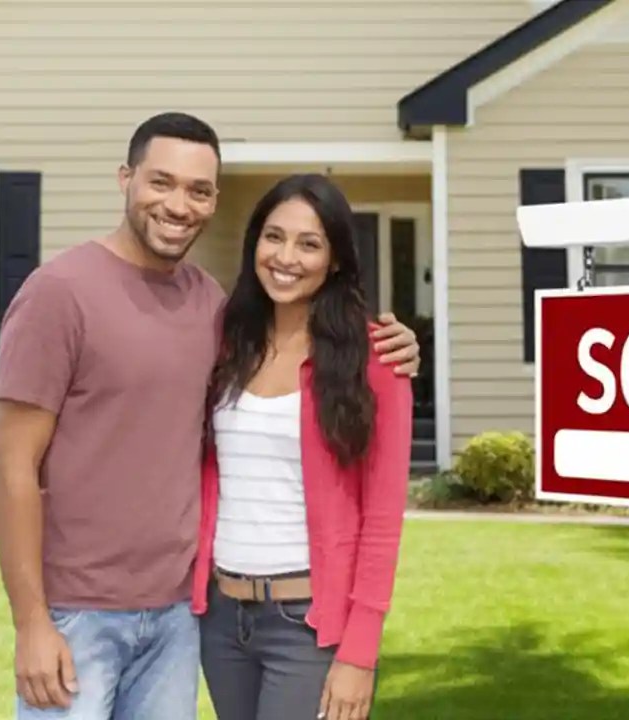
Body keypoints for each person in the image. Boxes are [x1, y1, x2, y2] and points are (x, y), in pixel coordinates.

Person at [0, 113, 421, 720]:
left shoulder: (215, 311)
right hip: (94, 616)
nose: (178, 205)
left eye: (198, 190)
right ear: (125, 179)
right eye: (161, 182)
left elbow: (378, 514)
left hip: (191, 618)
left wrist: (361, 652)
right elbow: (11, 465)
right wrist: (31, 621)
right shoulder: (67, 294)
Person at [191, 173, 413, 720]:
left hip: (308, 625)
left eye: (309, 244)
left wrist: (359, 653)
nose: (286, 257)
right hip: (221, 619)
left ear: (334, 260)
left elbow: (382, 520)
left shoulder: (376, 361)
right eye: (274, 236)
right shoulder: (225, 342)